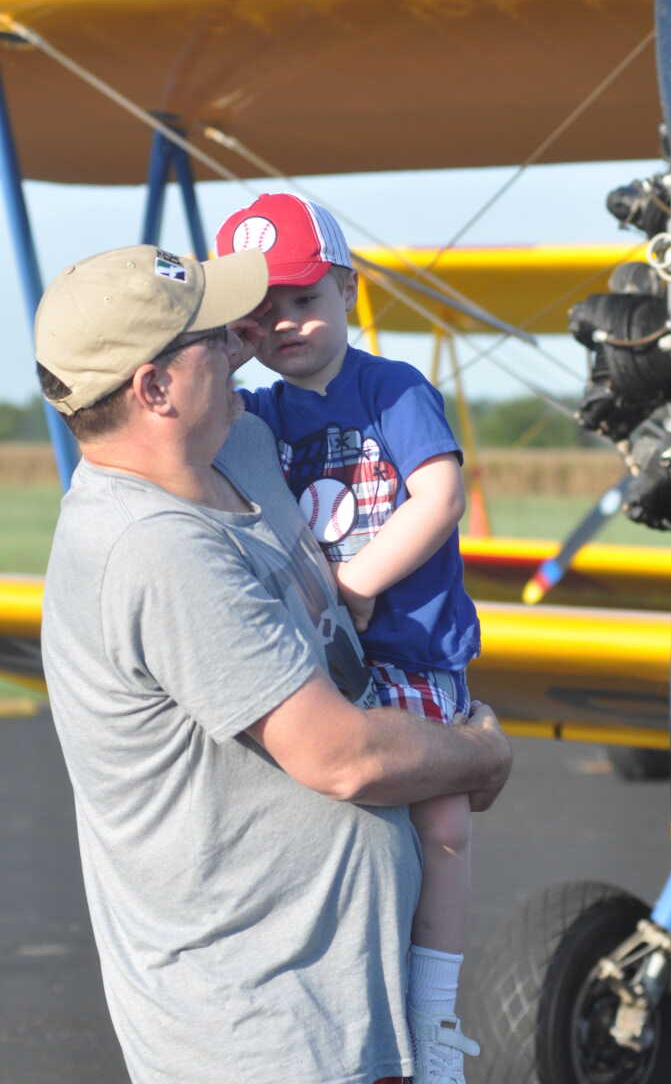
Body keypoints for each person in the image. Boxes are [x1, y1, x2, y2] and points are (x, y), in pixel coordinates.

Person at [35, 243, 512, 1084]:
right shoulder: (151, 549)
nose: (240, 339)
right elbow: (341, 758)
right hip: (264, 1033)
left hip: (349, 1002)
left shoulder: (238, 449)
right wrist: (479, 754)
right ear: (153, 390)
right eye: (215, 335)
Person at [215, 194, 482, 1084]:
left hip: (405, 650)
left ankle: (434, 1018)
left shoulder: (392, 388)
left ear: (347, 291)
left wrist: (359, 584)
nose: (282, 323)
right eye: (257, 313)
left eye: (301, 299)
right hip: (319, 665)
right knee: (341, 840)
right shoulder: (250, 413)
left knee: (441, 822)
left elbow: (438, 499)